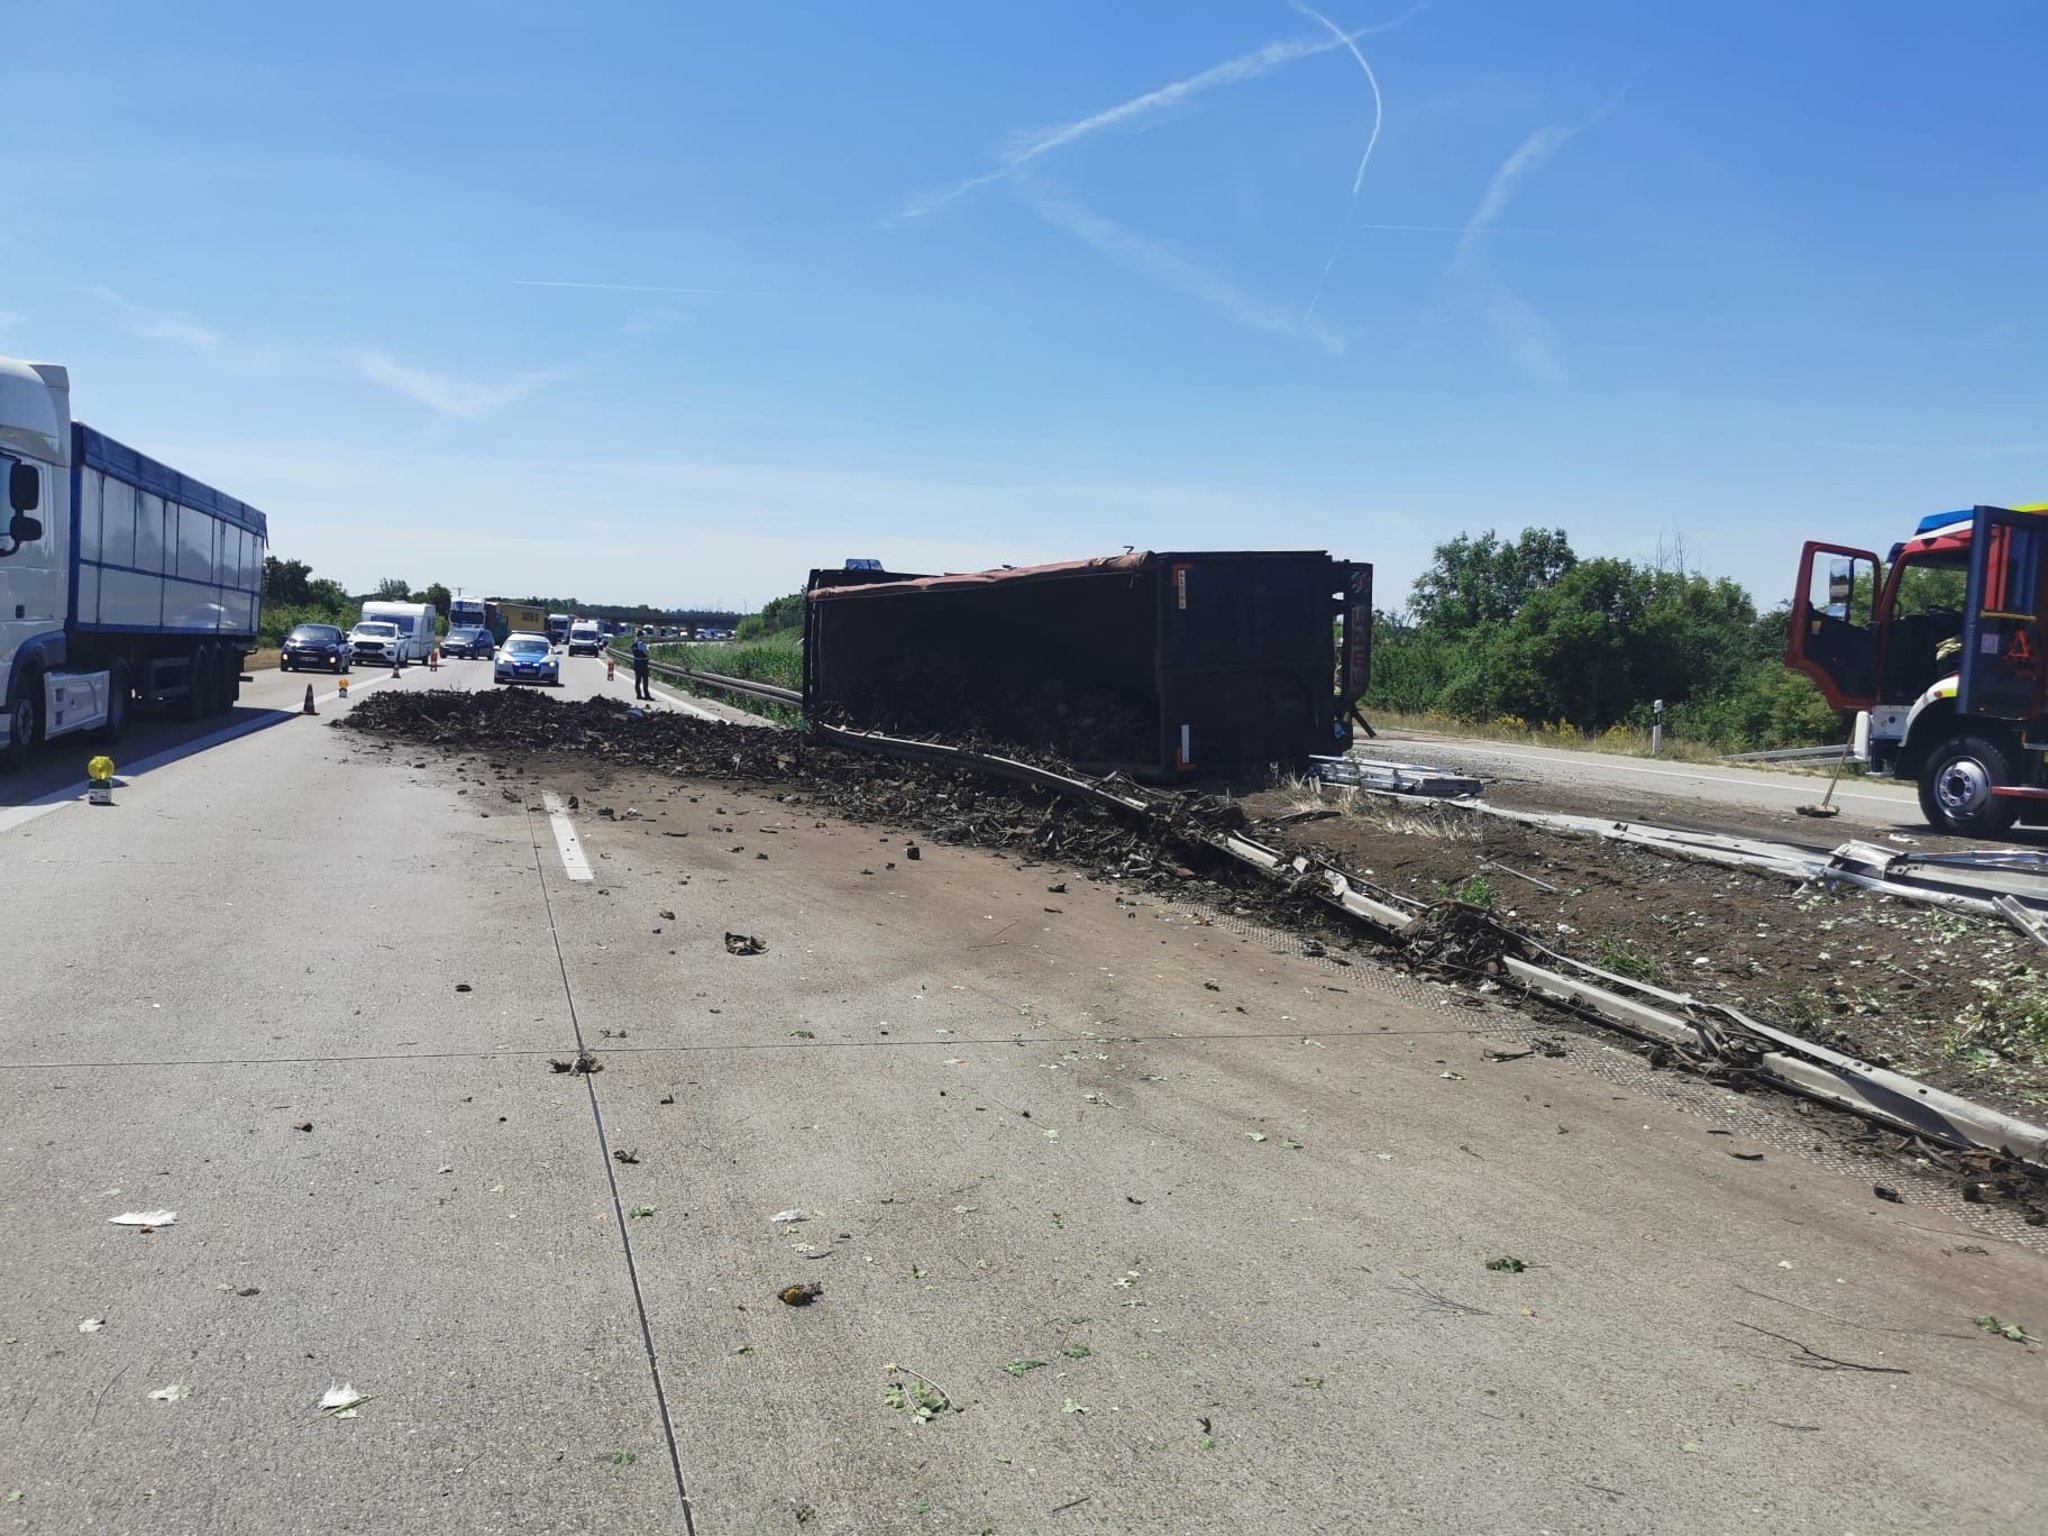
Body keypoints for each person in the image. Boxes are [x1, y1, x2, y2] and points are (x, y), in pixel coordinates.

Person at [631, 635, 651, 701]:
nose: (642, 638)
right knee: (642, 680)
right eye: (641, 636)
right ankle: (643, 695)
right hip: (641, 664)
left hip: (639, 664)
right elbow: (646, 653)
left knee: (641, 680)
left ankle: (642, 695)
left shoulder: (635, 645)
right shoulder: (639, 645)